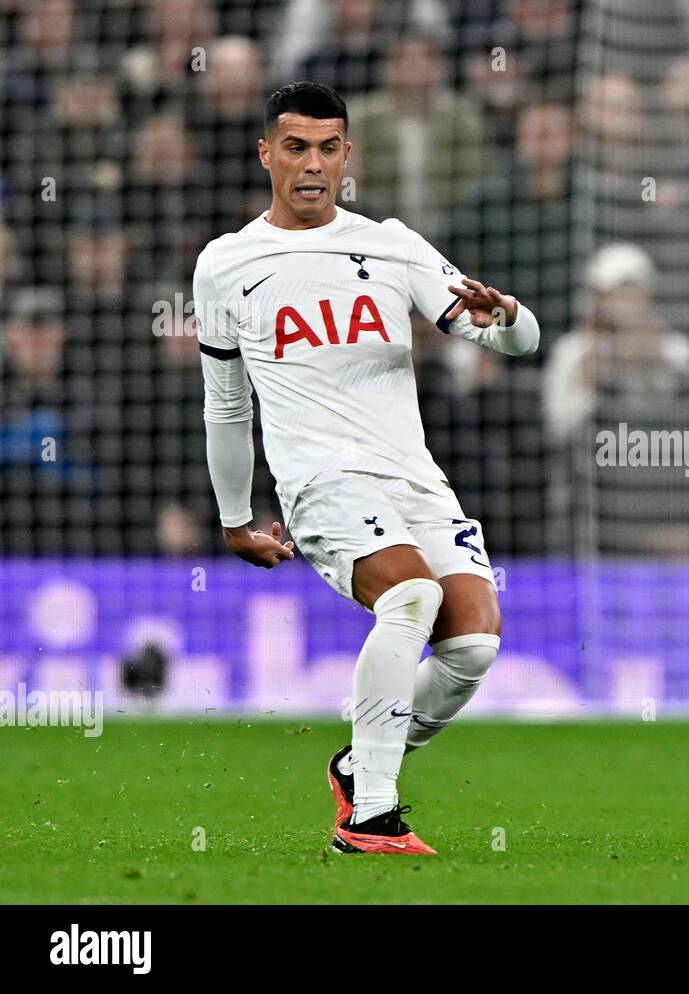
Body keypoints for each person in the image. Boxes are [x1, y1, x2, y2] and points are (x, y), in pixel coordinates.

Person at [194, 82, 540, 856]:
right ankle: (371, 815)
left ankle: (359, 763)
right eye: (294, 147)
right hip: (321, 482)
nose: (311, 165)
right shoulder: (226, 264)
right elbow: (225, 405)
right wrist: (234, 515)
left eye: (326, 148)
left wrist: (508, 317)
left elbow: (516, 341)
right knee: (412, 595)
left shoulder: (392, 243)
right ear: (266, 155)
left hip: (413, 477)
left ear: (346, 154)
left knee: (472, 647)